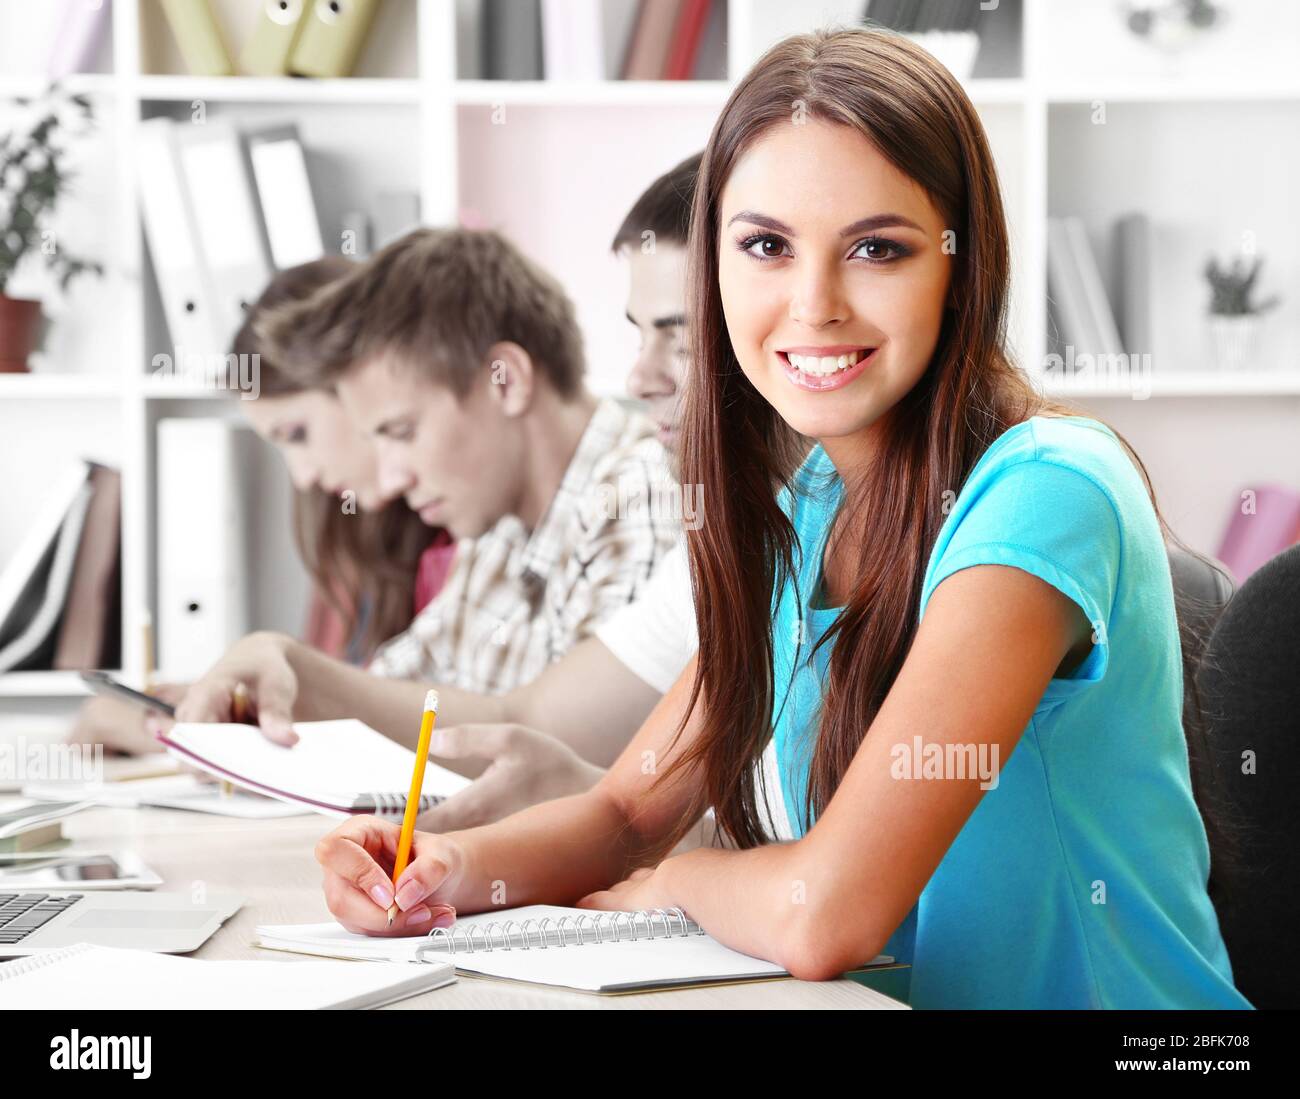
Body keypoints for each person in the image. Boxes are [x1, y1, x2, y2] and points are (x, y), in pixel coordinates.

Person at [310, 29, 1250, 1009]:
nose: (813, 304)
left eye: (875, 249)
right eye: (766, 246)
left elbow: (822, 911)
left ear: (960, 266)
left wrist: (674, 884)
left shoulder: (1049, 492)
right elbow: (631, 809)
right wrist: (438, 870)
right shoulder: (810, 502)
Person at [174, 228, 679, 761]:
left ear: (505, 382)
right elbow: (394, 689)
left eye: (400, 432)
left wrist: (297, 670)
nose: (390, 480)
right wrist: (273, 690)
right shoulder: (496, 524)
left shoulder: (640, 498)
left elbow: (578, 763)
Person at [68, 258, 453, 754]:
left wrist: (159, 734)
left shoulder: (466, 533)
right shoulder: (352, 540)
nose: (303, 475)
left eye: (297, 434)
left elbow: (365, 738)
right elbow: (325, 715)